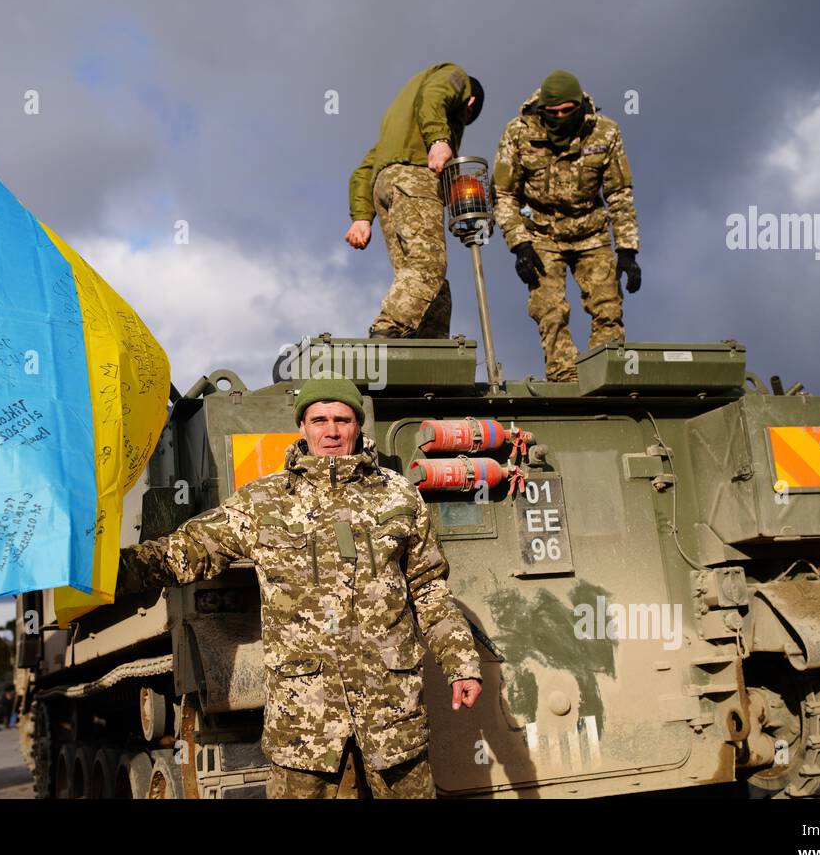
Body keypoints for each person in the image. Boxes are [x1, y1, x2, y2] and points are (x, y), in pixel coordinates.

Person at [118, 377, 483, 798]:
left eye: (342, 420)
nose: (331, 431)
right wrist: (110, 571)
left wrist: (461, 664)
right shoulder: (264, 501)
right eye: (319, 420)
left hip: (391, 712)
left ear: (358, 425)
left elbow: (429, 589)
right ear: (302, 427)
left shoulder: (399, 497)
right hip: (305, 723)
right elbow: (188, 551)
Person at [492, 70, 640, 381]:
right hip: (541, 235)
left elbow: (619, 193)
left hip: (591, 232)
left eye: (567, 111)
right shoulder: (518, 132)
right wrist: (519, 244)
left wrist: (627, 249)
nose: (560, 117)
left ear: (579, 107)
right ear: (542, 110)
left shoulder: (605, 132)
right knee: (549, 310)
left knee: (608, 309)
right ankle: (566, 378)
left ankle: (605, 378)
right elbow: (504, 194)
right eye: (553, 112)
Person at [345, 64, 485, 339]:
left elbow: (363, 170)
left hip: (386, 185)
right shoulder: (456, 77)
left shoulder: (400, 131)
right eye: (465, 118)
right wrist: (439, 139)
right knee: (428, 263)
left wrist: (361, 217)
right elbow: (433, 95)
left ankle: (429, 349)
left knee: (422, 279)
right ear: (469, 102)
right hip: (415, 179)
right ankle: (387, 329)